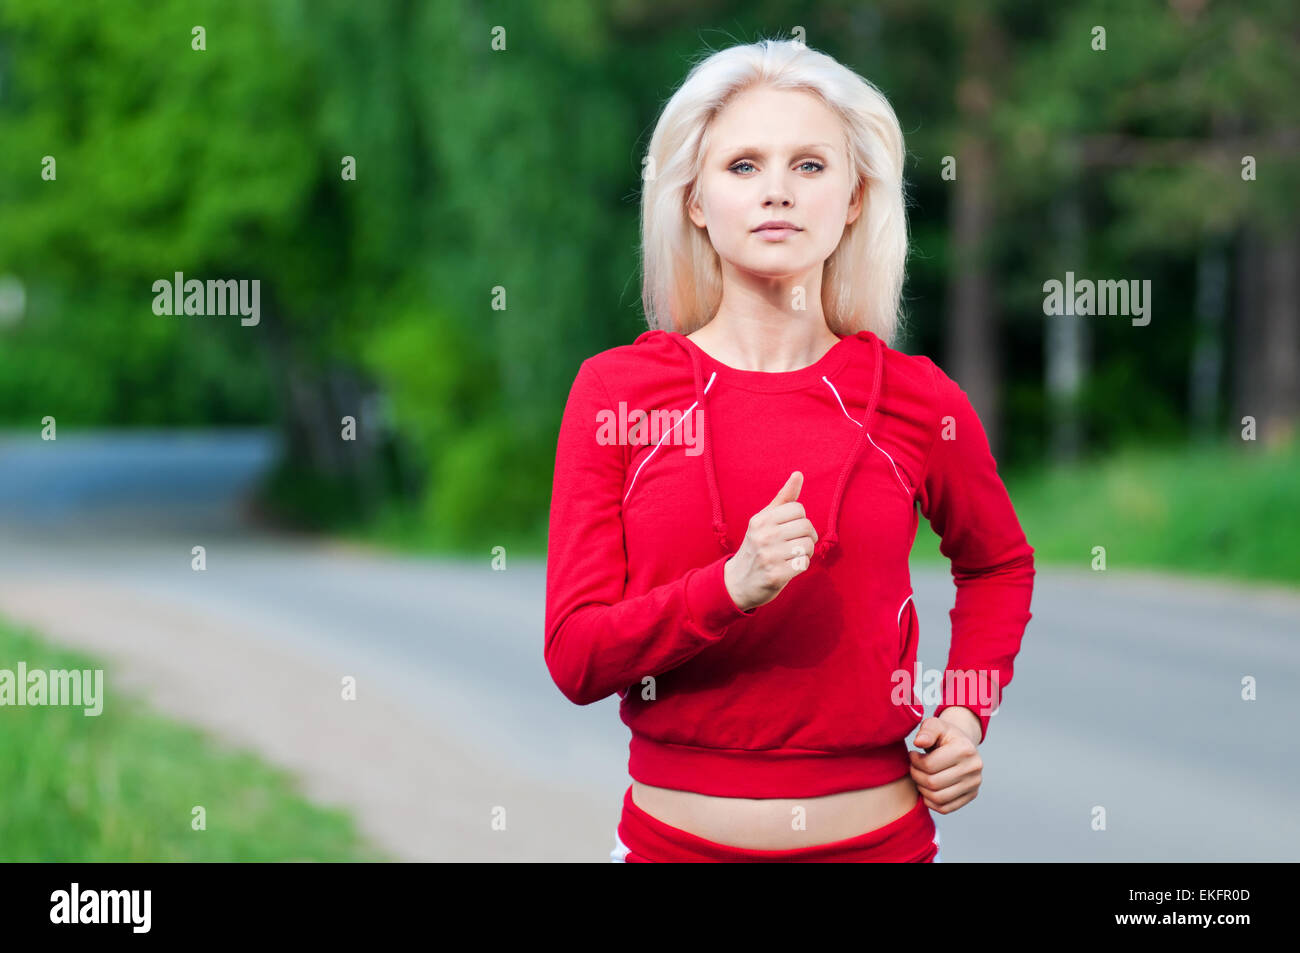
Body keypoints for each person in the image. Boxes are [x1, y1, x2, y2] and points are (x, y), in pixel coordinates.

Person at [544, 37, 1035, 863]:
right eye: (743, 166)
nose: (776, 192)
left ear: (853, 200)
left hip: (880, 844)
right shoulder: (618, 392)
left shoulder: (916, 399)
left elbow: (997, 564)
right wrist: (728, 588)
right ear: (694, 201)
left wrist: (962, 711)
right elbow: (577, 655)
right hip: (675, 845)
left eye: (810, 166)